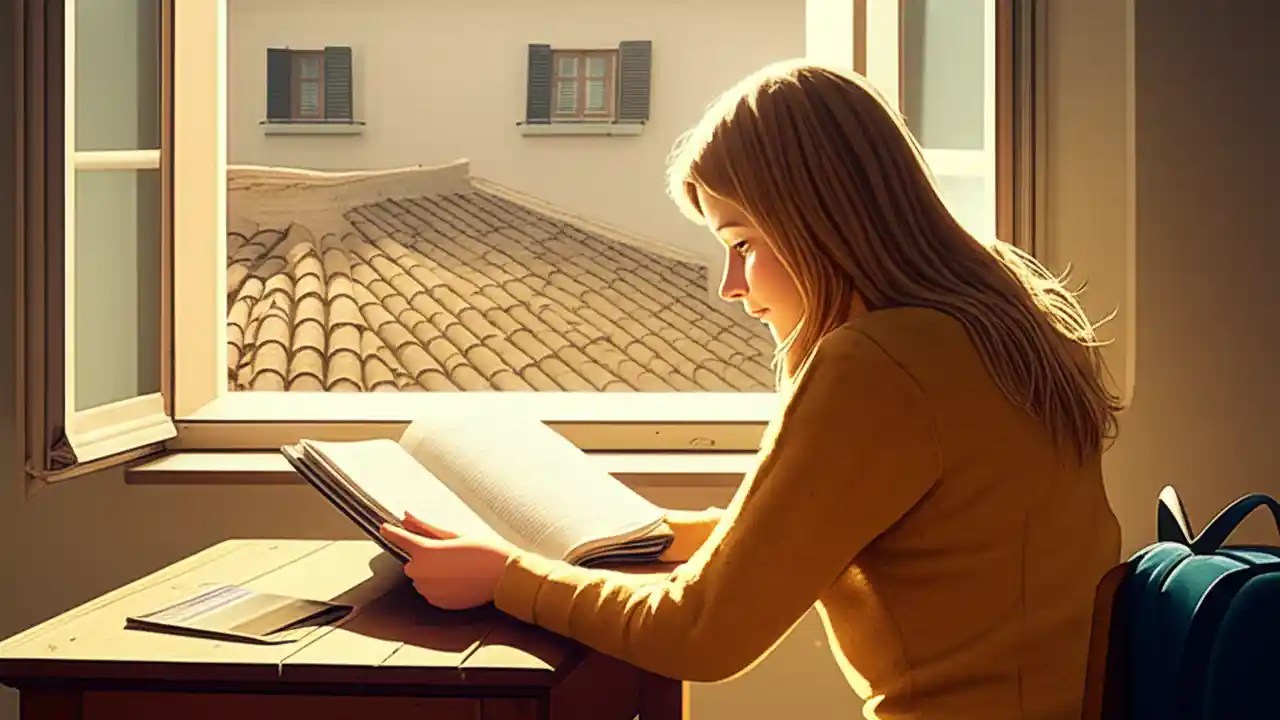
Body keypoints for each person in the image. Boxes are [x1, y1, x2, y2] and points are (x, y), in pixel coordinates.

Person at [380, 59, 1124, 719]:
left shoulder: (878, 364)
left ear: (818, 223)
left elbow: (699, 636)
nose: (732, 287)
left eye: (742, 244)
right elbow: (835, 531)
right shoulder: (999, 314)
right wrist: (643, 538)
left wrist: (506, 576)